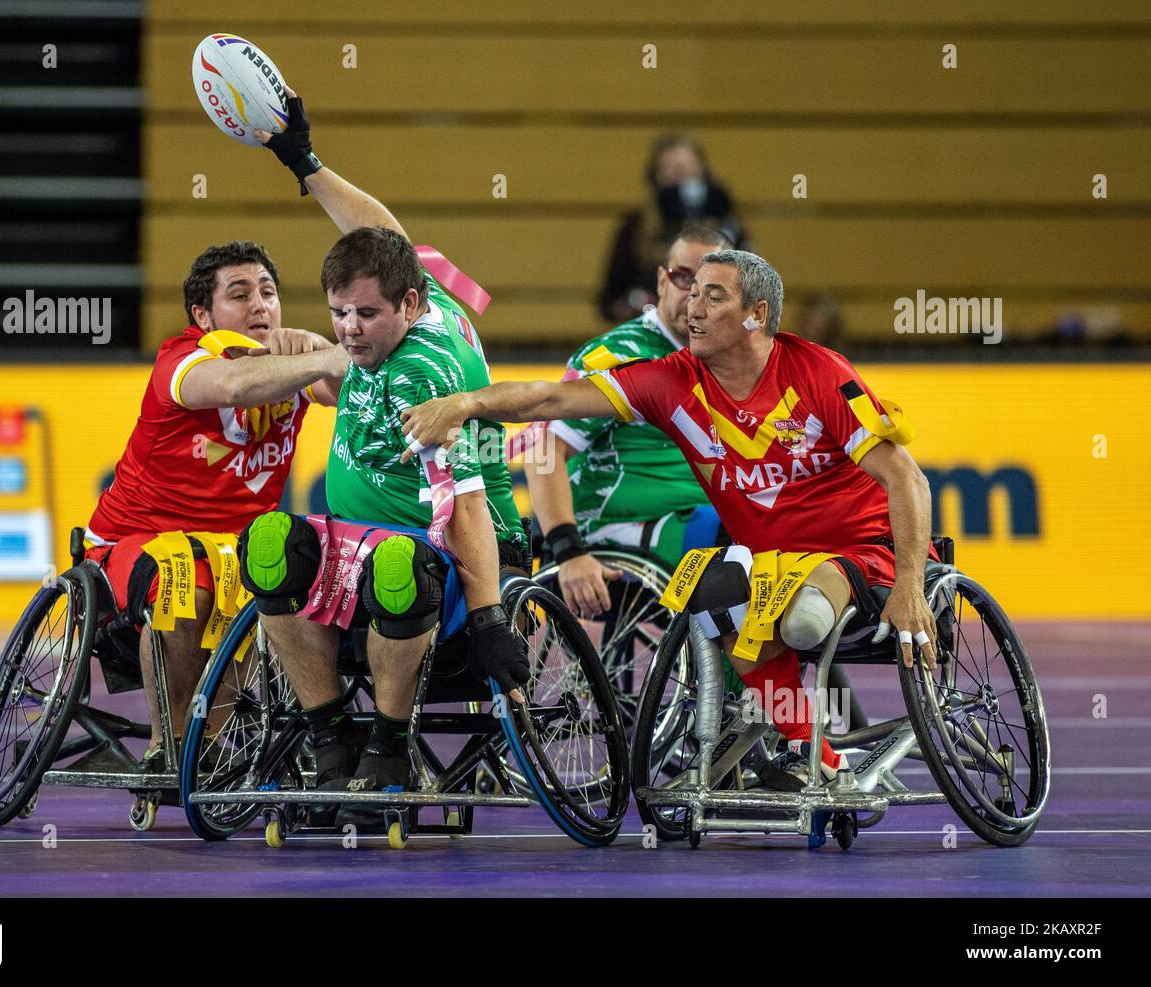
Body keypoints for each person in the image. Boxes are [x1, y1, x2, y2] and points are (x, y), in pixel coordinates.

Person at [401, 249, 938, 789]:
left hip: (864, 551)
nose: (692, 307)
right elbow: (548, 400)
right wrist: (466, 403)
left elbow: (908, 480)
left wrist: (911, 584)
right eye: (692, 290)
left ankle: (808, 734)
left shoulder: (818, 372)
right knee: (711, 594)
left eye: (713, 295)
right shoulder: (672, 381)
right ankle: (810, 749)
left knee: (801, 618)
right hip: (772, 563)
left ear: (757, 313)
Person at [232, 90, 531, 829]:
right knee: (269, 548)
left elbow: (461, 501)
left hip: (449, 552)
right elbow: (382, 233)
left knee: (394, 571)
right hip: (361, 543)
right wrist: (304, 163)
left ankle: (390, 747)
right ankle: (330, 738)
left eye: (365, 316)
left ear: (408, 303)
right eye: (340, 313)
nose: (349, 329)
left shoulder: (421, 374)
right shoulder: (423, 304)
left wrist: (492, 614)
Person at [83, 241, 348, 771]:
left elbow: (346, 390)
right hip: (137, 539)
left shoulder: (293, 361)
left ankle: (226, 744)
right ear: (202, 316)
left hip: (234, 546)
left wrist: (322, 347)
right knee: (192, 583)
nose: (260, 306)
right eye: (240, 294)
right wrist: (329, 354)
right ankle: (170, 746)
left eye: (268, 293)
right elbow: (231, 386)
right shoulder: (181, 360)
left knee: (266, 582)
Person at [528, 223, 730, 620]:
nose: (693, 294)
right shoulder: (617, 357)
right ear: (661, 280)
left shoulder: (732, 360)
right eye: (683, 276)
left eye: (712, 287)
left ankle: (744, 680)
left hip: (694, 516)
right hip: (605, 526)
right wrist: (567, 549)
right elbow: (543, 450)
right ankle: (732, 683)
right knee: (736, 541)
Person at [599, 134, 745, 324]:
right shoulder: (636, 227)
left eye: (686, 171)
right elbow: (608, 300)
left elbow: (747, 290)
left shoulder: (727, 225)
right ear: (655, 178)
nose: (680, 181)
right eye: (670, 172)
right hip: (652, 336)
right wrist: (631, 305)